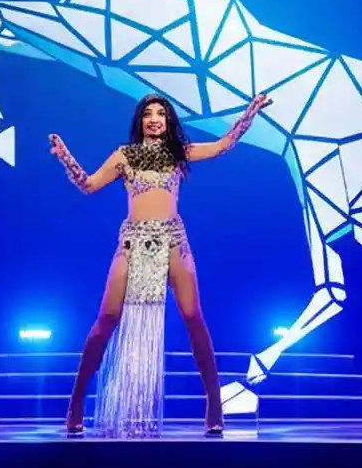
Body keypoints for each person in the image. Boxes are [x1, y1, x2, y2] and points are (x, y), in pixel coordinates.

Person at [49, 92, 271, 438]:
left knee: (193, 317)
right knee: (106, 318)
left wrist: (249, 113)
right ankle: (76, 401)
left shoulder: (179, 153)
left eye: (161, 114)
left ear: (169, 122)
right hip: (134, 242)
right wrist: (66, 158)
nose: (154, 118)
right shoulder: (125, 155)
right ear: (140, 121)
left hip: (173, 242)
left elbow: (223, 144)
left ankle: (214, 402)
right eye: (148, 114)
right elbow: (89, 185)